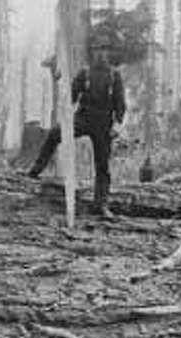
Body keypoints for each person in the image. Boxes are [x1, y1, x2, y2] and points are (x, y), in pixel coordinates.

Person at [27, 38, 126, 219]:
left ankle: (100, 204)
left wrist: (118, 124)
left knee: (102, 164)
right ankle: (35, 170)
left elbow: (120, 103)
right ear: (93, 52)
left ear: (108, 53)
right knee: (55, 134)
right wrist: (59, 81)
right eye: (97, 50)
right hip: (83, 117)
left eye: (104, 50)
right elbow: (70, 96)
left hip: (104, 123)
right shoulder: (85, 73)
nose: (101, 54)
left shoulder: (114, 75)